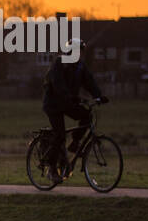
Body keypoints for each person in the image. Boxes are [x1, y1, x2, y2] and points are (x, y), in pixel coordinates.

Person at [42, 48, 106, 179]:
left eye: (81, 52)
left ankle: (75, 143)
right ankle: (51, 168)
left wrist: (99, 96)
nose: (79, 54)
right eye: (77, 51)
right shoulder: (59, 63)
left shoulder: (80, 66)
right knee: (60, 135)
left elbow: (90, 82)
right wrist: (71, 97)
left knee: (87, 115)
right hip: (53, 105)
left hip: (68, 103)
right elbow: (58, 84)